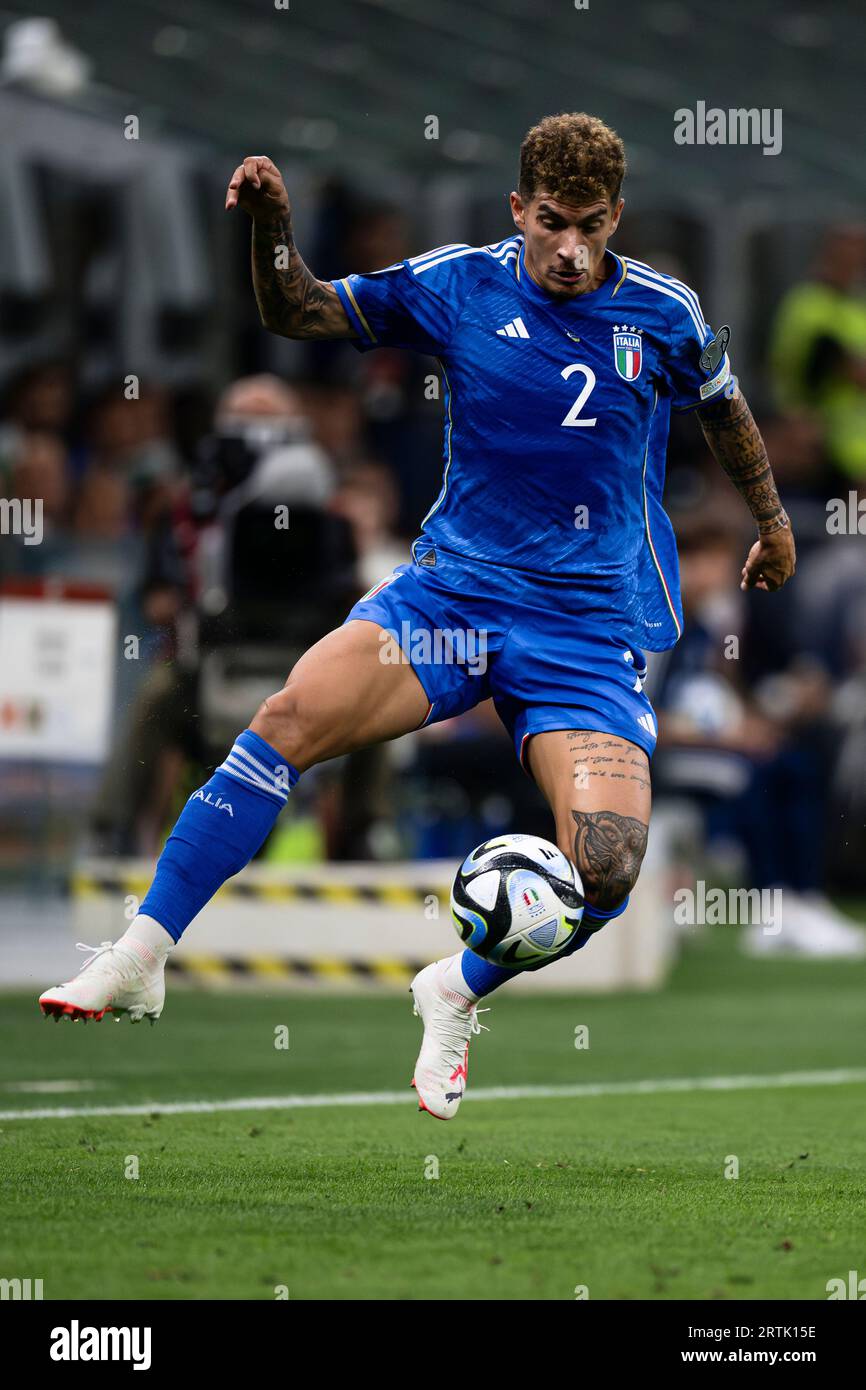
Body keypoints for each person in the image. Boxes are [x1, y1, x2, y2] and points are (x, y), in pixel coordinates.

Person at [39, 113, 796, 1121]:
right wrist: (269, 231)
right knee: (286, 721)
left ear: (616, 217)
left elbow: (723, 406)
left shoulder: (661, 311)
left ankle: (455, 986)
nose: (570, 248)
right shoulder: (457, 283)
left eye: (591, 227)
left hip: (580, 629)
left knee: (609, 865)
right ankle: (138, 953)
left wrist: (773, 523)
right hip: (453, 597)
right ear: (517, 209)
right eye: (553, 222)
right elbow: (299, 310)